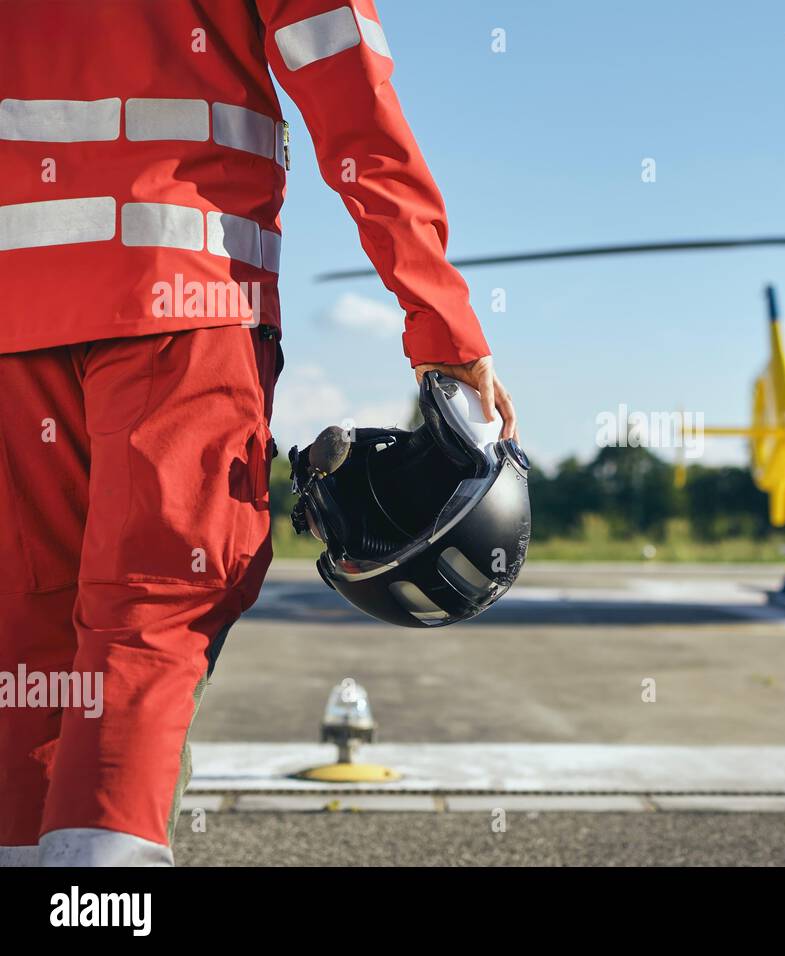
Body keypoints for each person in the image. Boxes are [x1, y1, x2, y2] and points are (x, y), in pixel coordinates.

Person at [0, 0, 514, 866]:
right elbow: (356, 105)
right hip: (184, 299)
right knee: (152, 612)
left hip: (17, 318)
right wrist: (442, 323)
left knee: (28, 629)